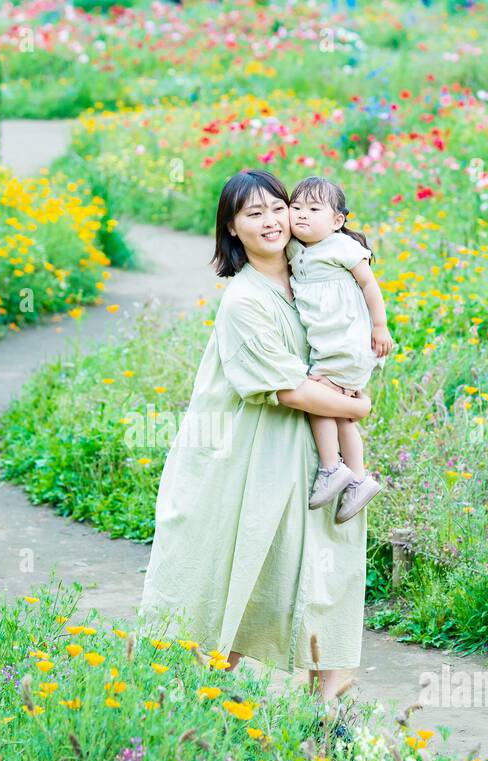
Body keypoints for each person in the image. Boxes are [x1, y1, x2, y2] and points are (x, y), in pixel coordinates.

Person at [138, 169, 372, 711]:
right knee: (235, 573)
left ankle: (328, 715)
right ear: (232, 230)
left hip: (315, 455)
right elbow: (288, 389)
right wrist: (358, 405)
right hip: (245, 457)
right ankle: (198, 710)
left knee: (325, 568)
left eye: (276, 207)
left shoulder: (314, 273)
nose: (270, 222)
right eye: (252, 214)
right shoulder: (245, 300)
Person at [286, 176, 393, 522]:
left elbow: (369, 285)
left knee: (319, 400)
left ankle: (332, 468)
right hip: (329, 345)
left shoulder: (340, 247)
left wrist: (380, 326)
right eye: (296, 207)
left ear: (337, 221)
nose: (302, 215)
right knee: (342, 412)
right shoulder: (294, 248)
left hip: (348, 343)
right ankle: (359, 478)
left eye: (314, 209)